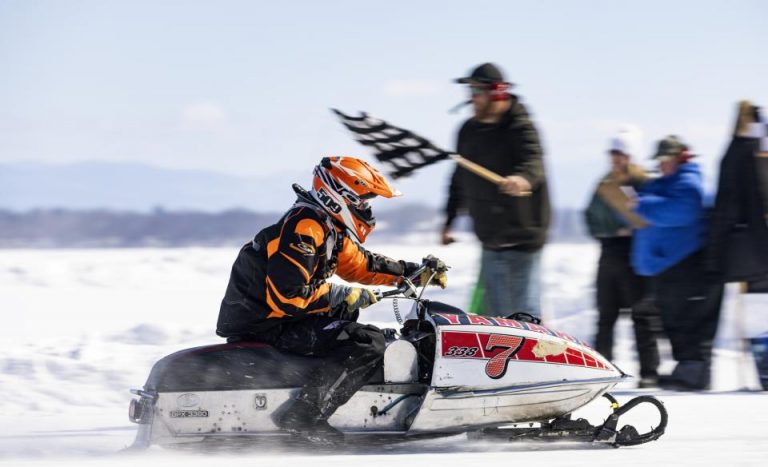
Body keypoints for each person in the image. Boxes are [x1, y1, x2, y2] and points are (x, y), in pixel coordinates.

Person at [216, 156, 446, 441]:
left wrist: (410, 273)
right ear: (337, 196)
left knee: (349, 320)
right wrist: (341, 294)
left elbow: (361, 264)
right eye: (361, 202)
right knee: (366, 342)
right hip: (264, 324)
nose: (365, 208)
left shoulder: (324, 226)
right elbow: (288, 297)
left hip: (277, 318)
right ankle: (304, 415)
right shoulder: (303, 228)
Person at [442, 62, 550, 317]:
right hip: (490, 238)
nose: (472, 99)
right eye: (470, 92)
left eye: (477, 91)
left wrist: (522, 179)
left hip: (524, 238)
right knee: (498, 319)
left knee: (525, 317)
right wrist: (448, 221)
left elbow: (534, 163)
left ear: (497, 92)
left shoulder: (522, 127)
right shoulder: (468, 131)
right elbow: (458, 179)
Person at [631, 136, 724, 390]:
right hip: (670, 265)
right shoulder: (665, 183)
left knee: (688, 321)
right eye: (659, 161)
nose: (661, 166)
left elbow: (683, 210)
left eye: (665, 160)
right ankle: (687, 371)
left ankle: (694, 375)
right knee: (673, 320)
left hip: (687, 263)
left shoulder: (688, 182)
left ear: (679, 158)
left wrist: (641, 205)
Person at [584, 134, 660, 387]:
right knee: (606, 316)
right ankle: (600, 371)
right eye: (613, 155)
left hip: (634, 255)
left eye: (621, 155)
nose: (615, 160)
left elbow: (650, 216)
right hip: (609, 254)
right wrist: (613, 230)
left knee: (642, 316)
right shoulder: (603, 185)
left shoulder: (643, 183)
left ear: (630, 157)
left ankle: (649, 372)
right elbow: (591, 218)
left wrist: (631, 229)